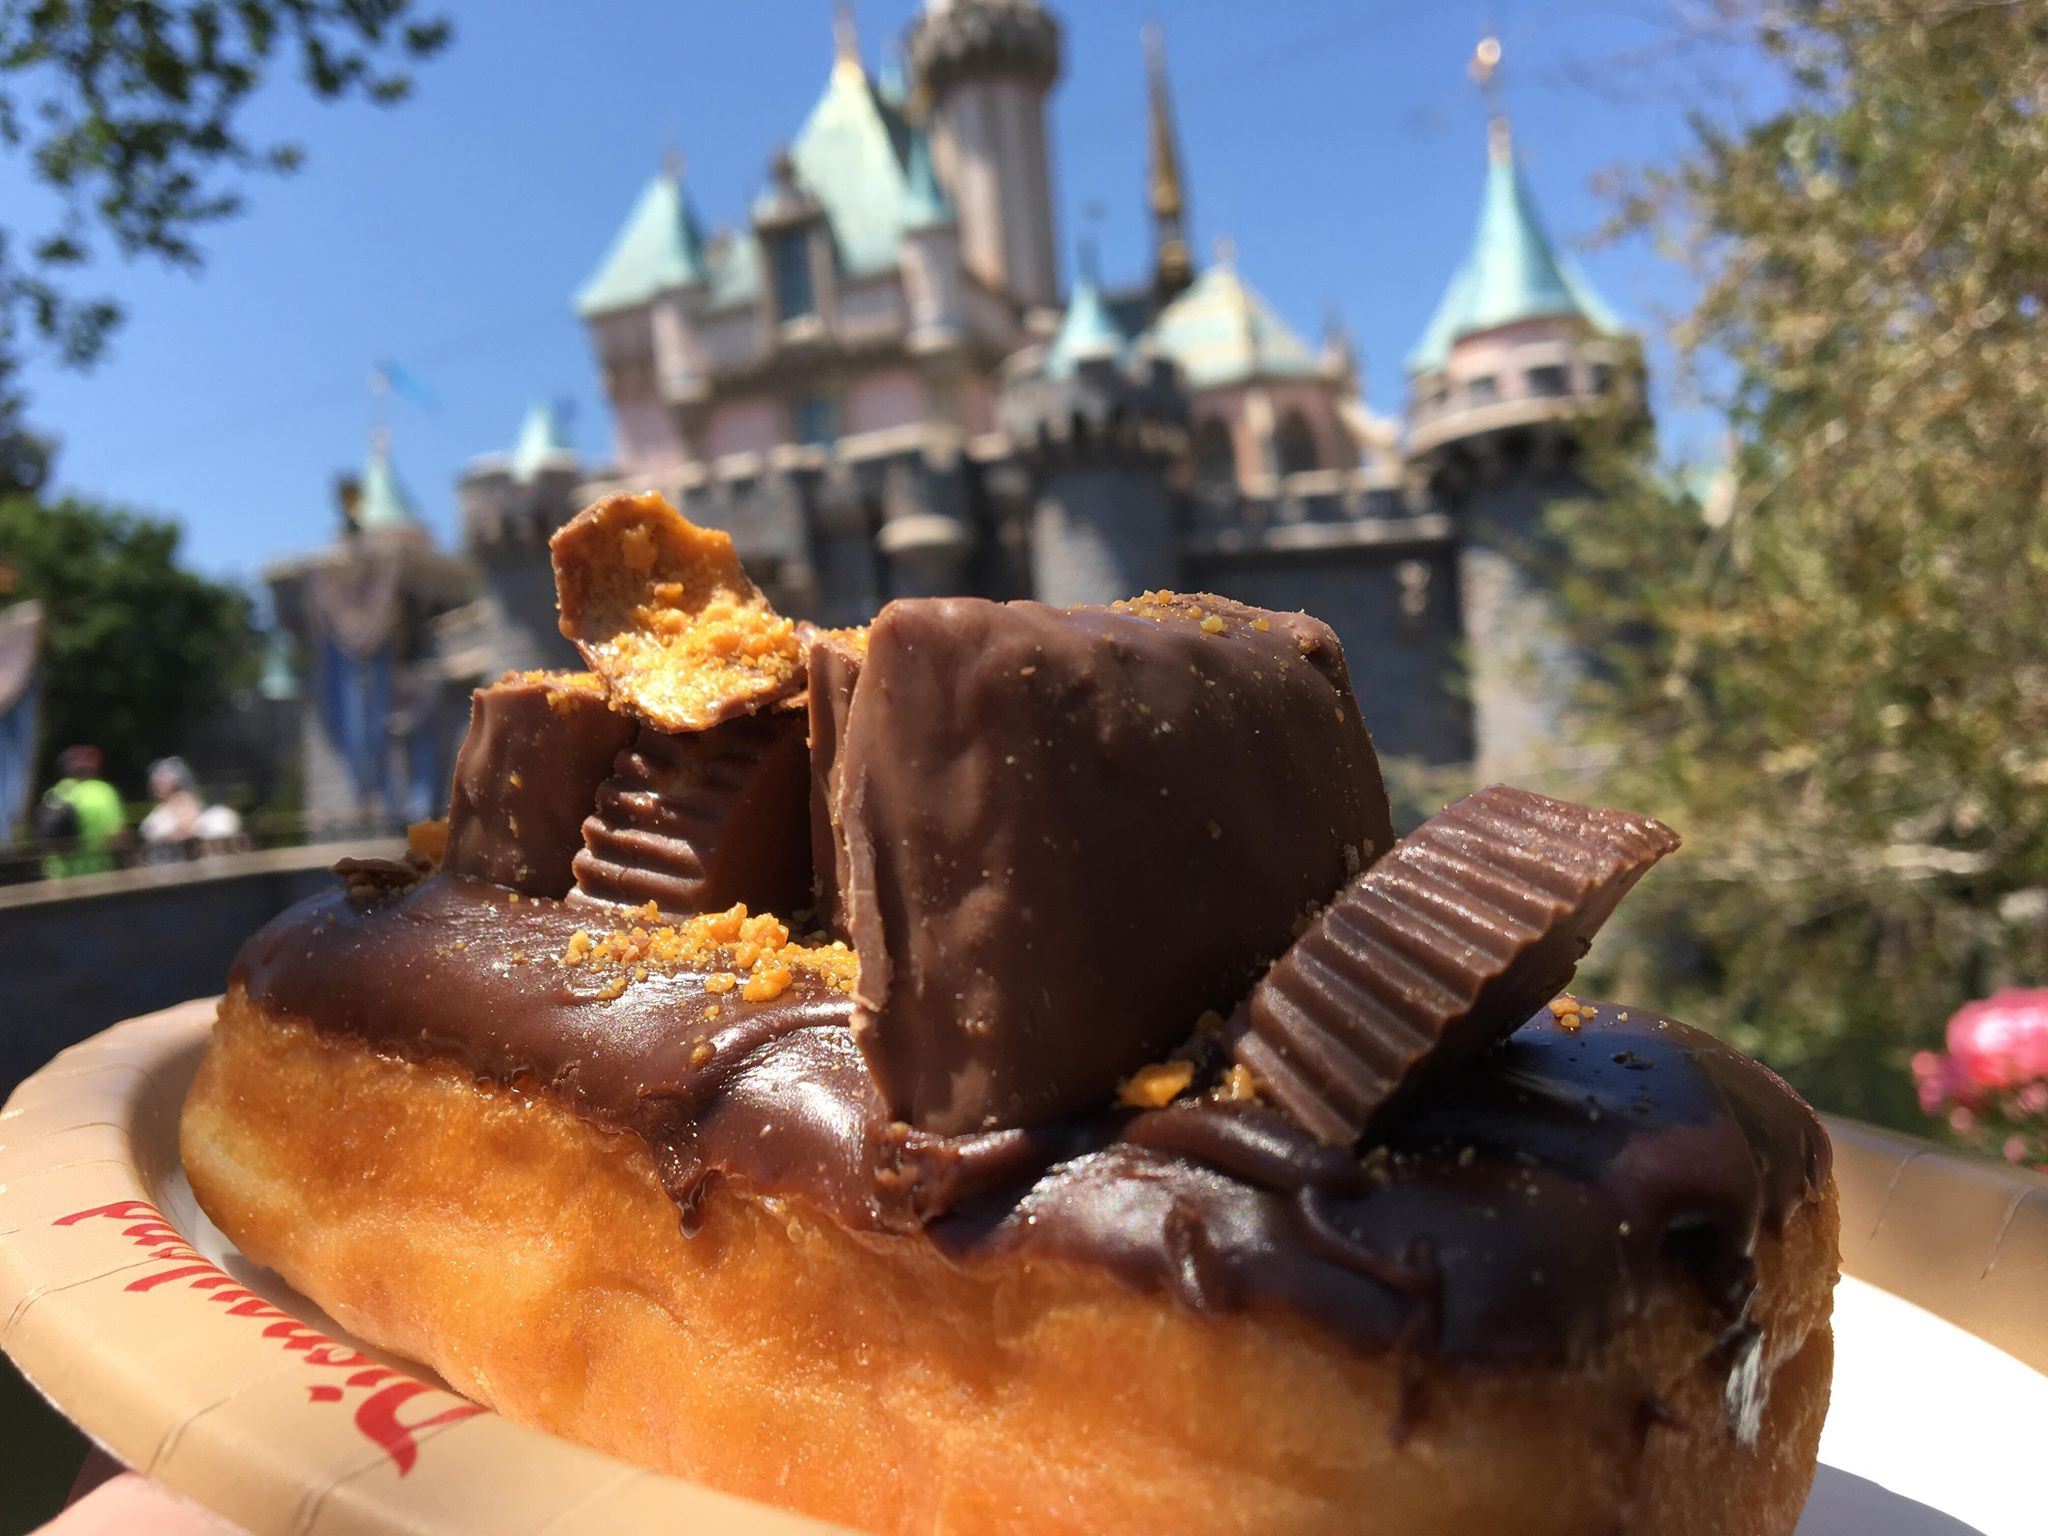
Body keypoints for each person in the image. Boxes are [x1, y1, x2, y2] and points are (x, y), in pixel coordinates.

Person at [36, 745, 124, 878]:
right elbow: (116, 837)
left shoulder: (53, 794)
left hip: (58, 879)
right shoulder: (102, 792)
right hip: (95, 877)